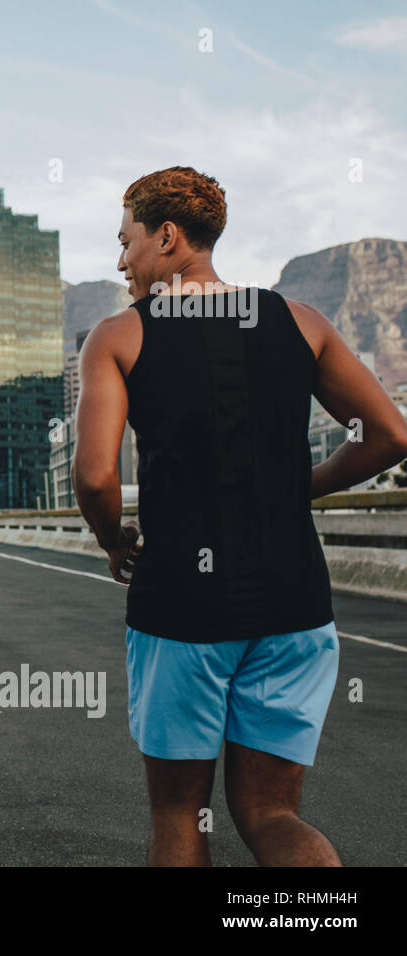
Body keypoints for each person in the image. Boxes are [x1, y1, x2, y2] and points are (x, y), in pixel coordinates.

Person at [74, 166, 407, 866]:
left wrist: (114, 541)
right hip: (296, 600)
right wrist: (299, 487)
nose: (120, 260)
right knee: (271, 812)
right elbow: (390, 436)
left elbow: (97, 475)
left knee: (179, 818)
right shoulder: (300, 321)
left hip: (183, 605)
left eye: (125, 240)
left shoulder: (118, 336)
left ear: (166, 237)